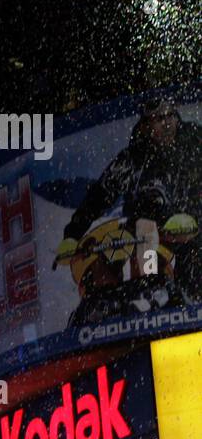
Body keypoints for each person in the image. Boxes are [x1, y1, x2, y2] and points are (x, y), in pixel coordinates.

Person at [55, 99, 202, 297]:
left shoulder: (195, 144)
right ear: (146, 124)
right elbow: (98, 197)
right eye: (159, 118)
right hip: (151, 243)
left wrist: (193, 216)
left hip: (196, 238)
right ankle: (147, 296)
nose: (167, 123)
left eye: (170, 116)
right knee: (128, 263)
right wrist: (72, 235)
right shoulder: (133, 159)